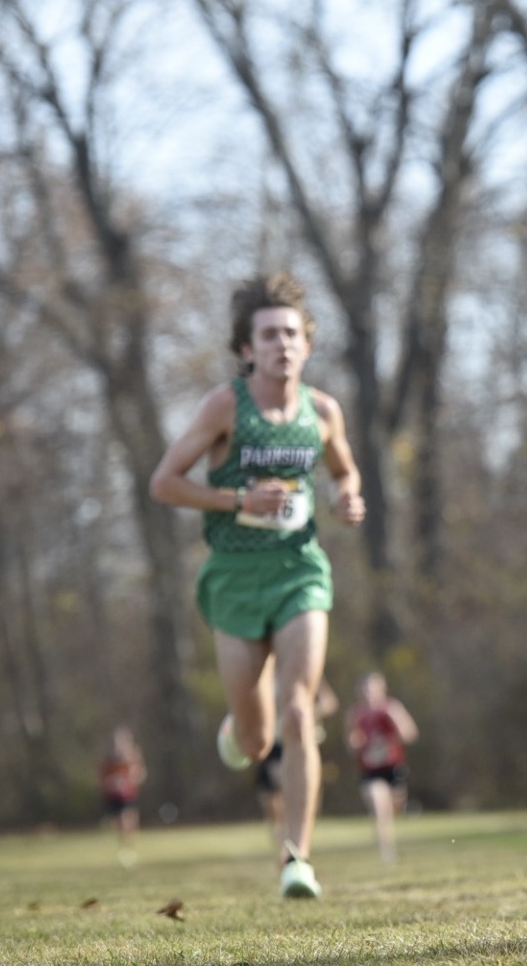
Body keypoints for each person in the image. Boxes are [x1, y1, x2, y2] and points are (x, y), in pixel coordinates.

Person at [150, 273, 366, 899]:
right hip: (234, 578)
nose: (283, 345)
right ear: (247, 348)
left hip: (299, 571)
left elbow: (345, 474)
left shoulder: (322, 411)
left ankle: (295, 858)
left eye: (292, 334)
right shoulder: (225, 407)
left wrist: (348, 500)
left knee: (301, 713)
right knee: (256, 738)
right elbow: (164, 483)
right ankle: (240, 728)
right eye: (269, 335)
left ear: (308, 343)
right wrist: (238, 498)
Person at [345, 671, 419, 864]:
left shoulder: (391, 708)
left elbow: (410, 734)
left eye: (372, 689)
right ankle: (386, 853)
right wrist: (357, 744)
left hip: (393, 767)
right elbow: (351, 743)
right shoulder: (355, 714)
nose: (368, 694)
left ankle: (399, 816)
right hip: (370, 770)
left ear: (382, 689)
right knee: (379, 807)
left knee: (394, 809)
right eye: (364, 690)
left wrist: (390, 737)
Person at [255, 680, 339, 847]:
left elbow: (329, 703)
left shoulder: (305, 669)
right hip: (272, 742)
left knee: (287, 788)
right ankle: (282, 834)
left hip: (297, 742)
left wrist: (309, 712)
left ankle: (291, 838)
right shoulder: (265, 672)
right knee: (269, 799)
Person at [98, 725, 146, 861]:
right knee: (118, 823)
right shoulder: (108, 759)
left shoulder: (133, 755)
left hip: (128, 794)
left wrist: (132, 779)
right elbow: (102, 776)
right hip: (114, 795)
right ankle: (124, 847)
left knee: (128, 820)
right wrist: (109, 784)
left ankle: (130, 847)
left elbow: (140, 772)